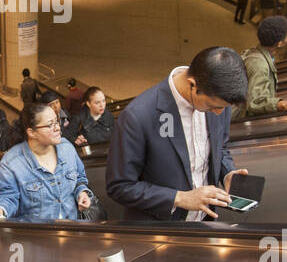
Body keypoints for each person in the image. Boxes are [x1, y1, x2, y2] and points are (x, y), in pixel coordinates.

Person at [106, 47, 249, 221]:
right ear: (192, 85)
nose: (219, 113)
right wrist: (180, 198)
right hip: (160, 230)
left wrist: (227, 173)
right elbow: (120, 186)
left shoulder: (219, 99)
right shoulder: (138, 115)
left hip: (205, 221)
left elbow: (221, 147)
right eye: (213, 106)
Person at [0, 103, 92, 230]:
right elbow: (8, 196)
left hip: (71, 230)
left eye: (57, 121)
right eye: (50, 124)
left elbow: (79, 178)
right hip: (37, 237)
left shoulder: (67, 148)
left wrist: (82, 192)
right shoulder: (12, 163)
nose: (58, 128)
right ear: (32, 132)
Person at [241, 16, 287, 117]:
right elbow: (254, 102)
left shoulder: (254, 51)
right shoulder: (260, 65)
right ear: (280, 43)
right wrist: (280, 104)